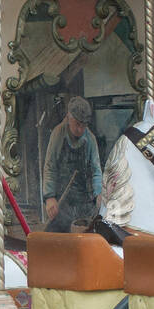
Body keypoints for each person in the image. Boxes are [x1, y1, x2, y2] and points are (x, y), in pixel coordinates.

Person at [41, 95, 102, 232]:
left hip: (84, 199)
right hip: (62, 199)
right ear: (69, 117)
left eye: (84, 125)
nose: (80, 129)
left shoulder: (90, 139)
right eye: (77, 124)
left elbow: (96, 170)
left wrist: (99, 194)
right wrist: (50, 197)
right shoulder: (58, 134)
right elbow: (50, 167)